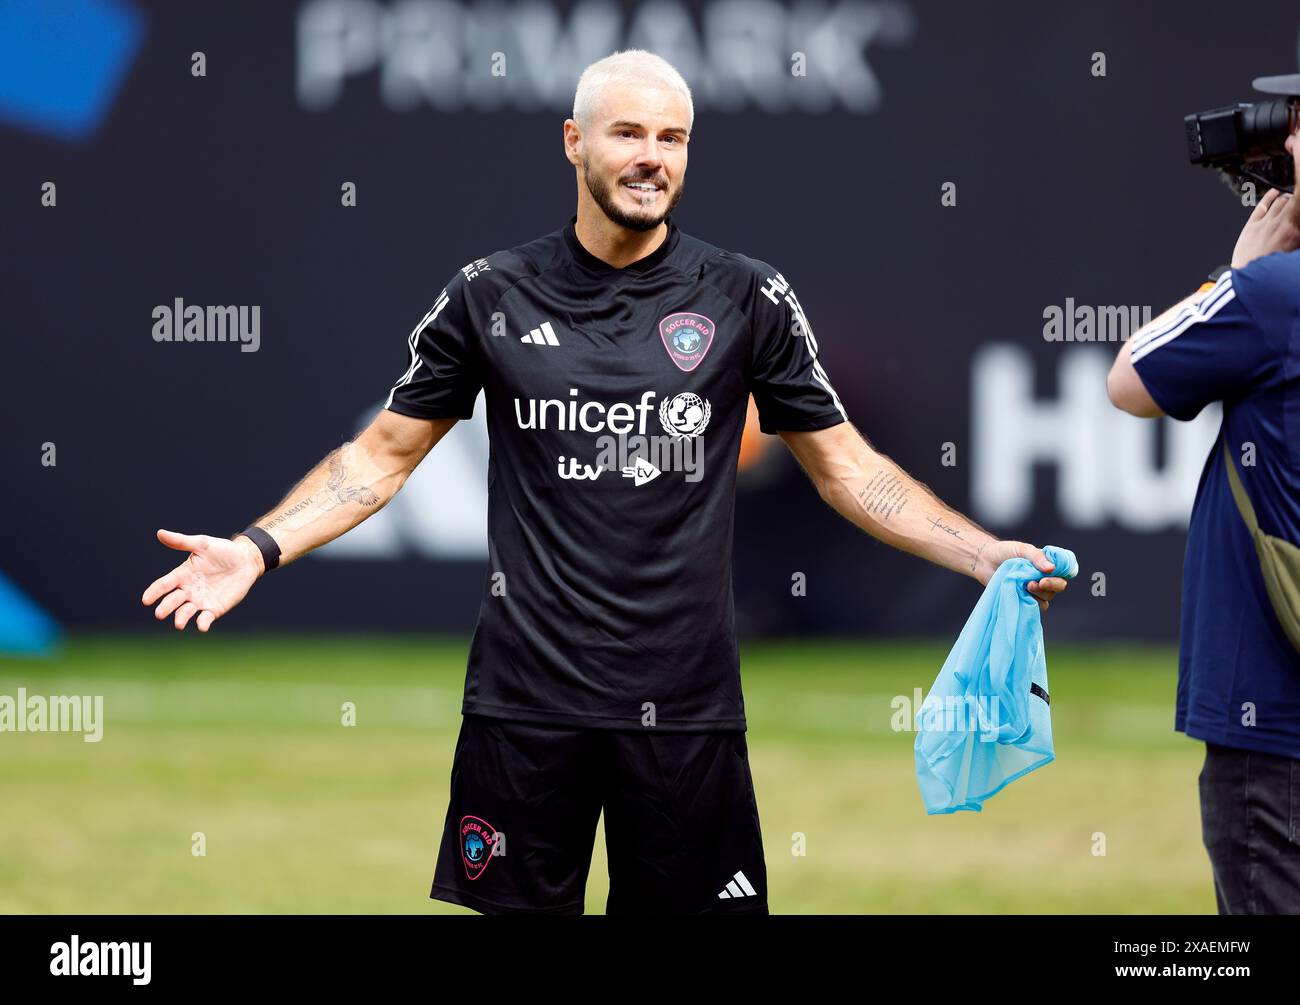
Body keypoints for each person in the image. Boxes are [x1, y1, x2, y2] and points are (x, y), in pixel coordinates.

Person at [142, 49, 1070, 915]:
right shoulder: (489, 294)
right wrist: (258, 549)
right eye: (628, 133)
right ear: (574, 140)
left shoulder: (745, 296)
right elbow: (379, 457)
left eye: (672, 139)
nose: (651, 157)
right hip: (525, 708)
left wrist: (981, 551)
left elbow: (848, 469)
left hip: (688, 715)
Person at [1107, 75, 1300, 915]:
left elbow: (1130, 378)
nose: (1287, 145)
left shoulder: (1271, 298)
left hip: (1275, 725)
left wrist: (1237, 273)